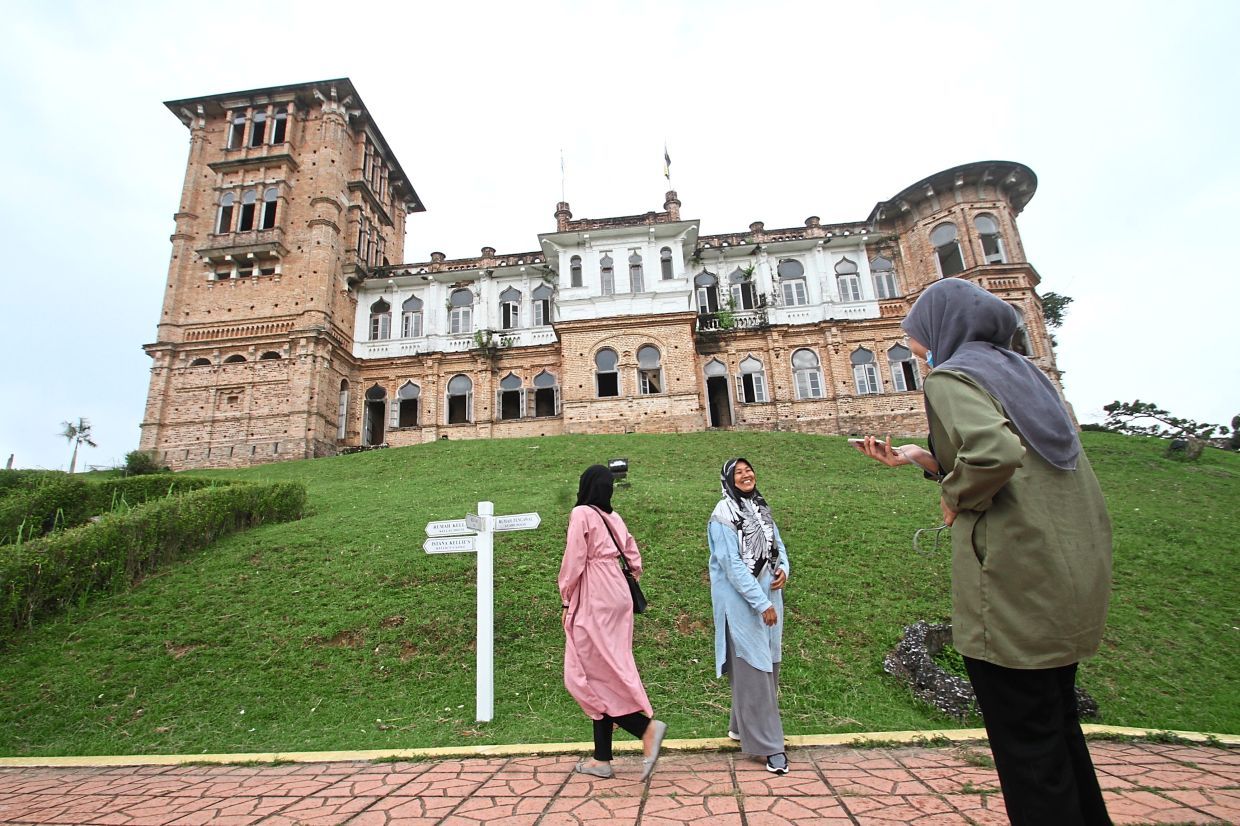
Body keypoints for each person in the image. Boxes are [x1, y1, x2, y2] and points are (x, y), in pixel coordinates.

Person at [854, 277, 1113, 825]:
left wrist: (953, 496)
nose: (916, 353)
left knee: (1027, 750)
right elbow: (1026, 462)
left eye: (918, 339)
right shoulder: (1026, 376)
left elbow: (993, 454)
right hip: (1067, 578)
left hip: (1012, 584)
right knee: (1058, 729)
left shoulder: (953, 376)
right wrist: (924, 462)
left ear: (946, 328)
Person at [559, 464, 667, 780]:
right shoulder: (614, 517)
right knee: (607, 670)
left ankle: (646, 730)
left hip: (594, 594)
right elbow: (633, 558)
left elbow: (574, 560)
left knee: (585, 672)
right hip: (618, 594)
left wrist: (566, 597)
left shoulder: (582, 514)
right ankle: (601, 758)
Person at [708, 458, 791, 774]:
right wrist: (760, 604)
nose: (746, 475)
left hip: (769, 596)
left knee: (768, 664)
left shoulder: (760, 508)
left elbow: (777, 547)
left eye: (749, 470)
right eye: (738, 472)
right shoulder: (723, 516)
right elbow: (731, 565)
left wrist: (784, 569)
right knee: (754, 670)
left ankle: (741, 728)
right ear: (728, 479)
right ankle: (769, 747)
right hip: (742, 604)